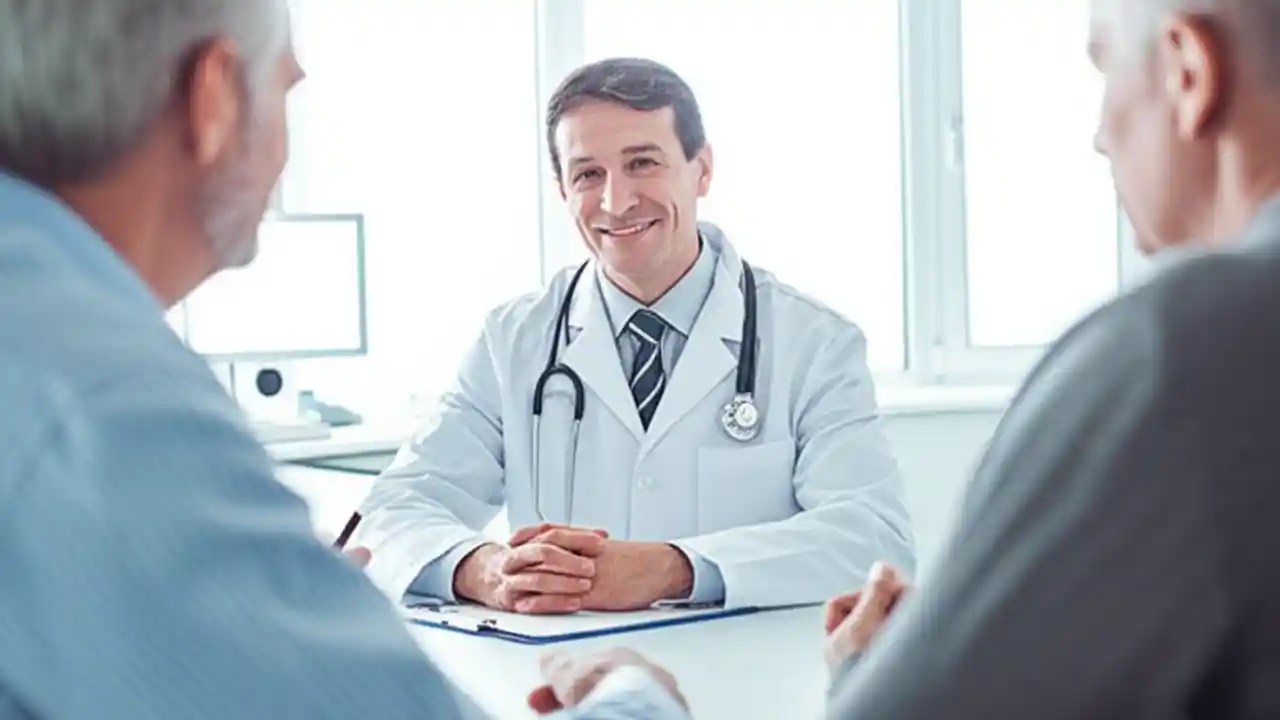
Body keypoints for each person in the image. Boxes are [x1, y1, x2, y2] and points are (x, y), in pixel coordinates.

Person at [528, 0, 1280, 716]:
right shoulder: (520, 333)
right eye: (587, 173)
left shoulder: (1177, 350)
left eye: (1106, 69)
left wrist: (635, 692)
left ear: (1188, 72)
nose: (1100, 135)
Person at [0, 1, 692, 717]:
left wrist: (268, 600)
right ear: (211, 99)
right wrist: (632, 691)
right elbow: (403, 505)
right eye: (285, 91)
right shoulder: (106, 407)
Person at [352, 57, 916, 615]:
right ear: (562, 189)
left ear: (702, 169)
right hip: (562, 682)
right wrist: (487, 569)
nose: (616, 201)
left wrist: (673, 568)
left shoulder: (814, 342)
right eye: (588, 174)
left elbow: (874, 539)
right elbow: (390, 513)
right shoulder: (513, 341)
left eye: (642, 163)